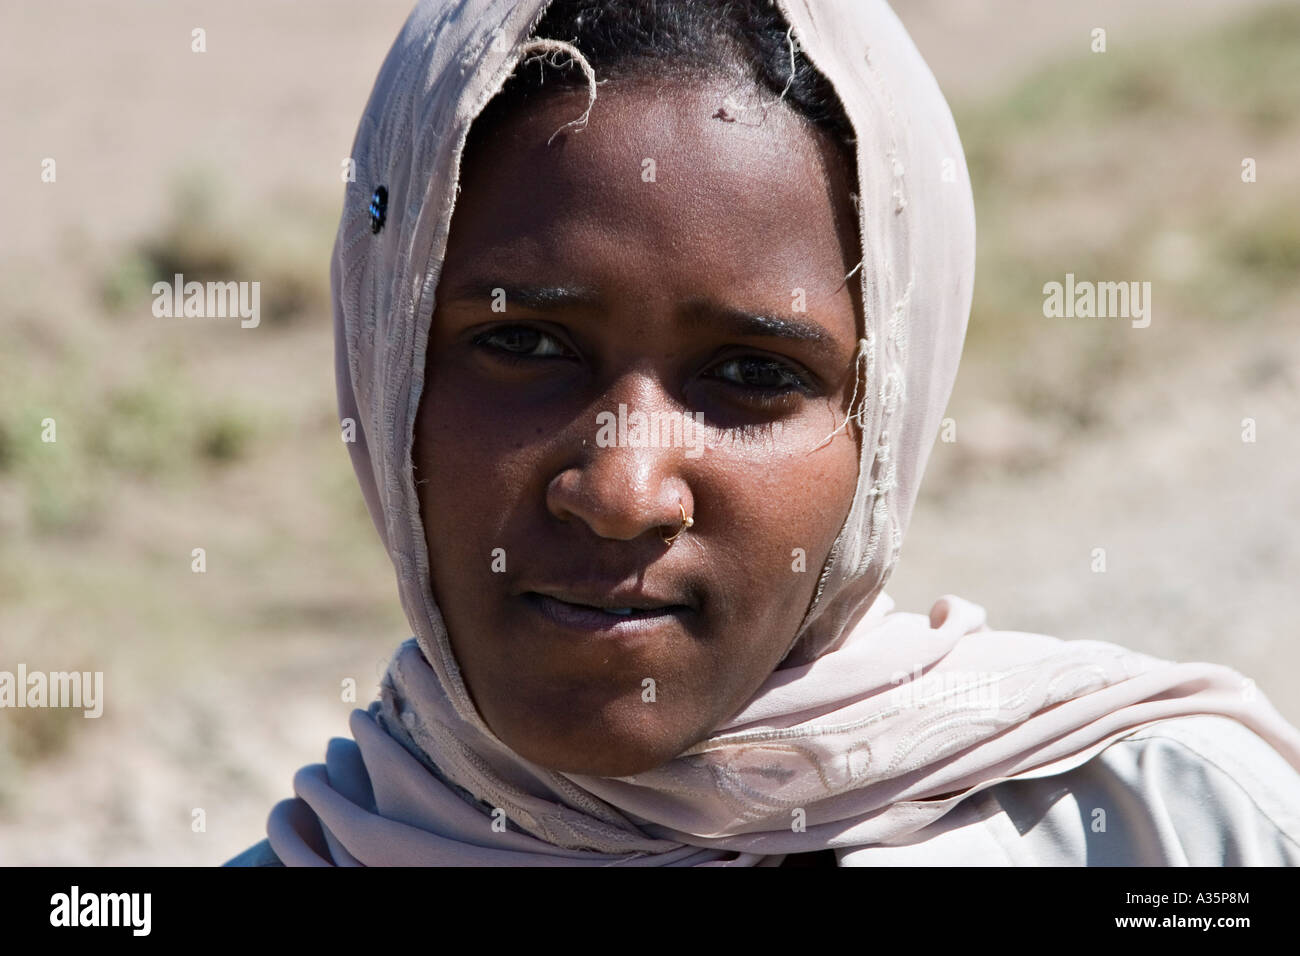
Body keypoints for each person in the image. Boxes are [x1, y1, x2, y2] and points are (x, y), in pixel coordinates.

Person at [225, 0, 1300, 866]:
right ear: (387, 350)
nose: (623, 487)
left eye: (752, 373)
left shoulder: (1174, 831)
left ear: (882, 421)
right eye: (527, 343)